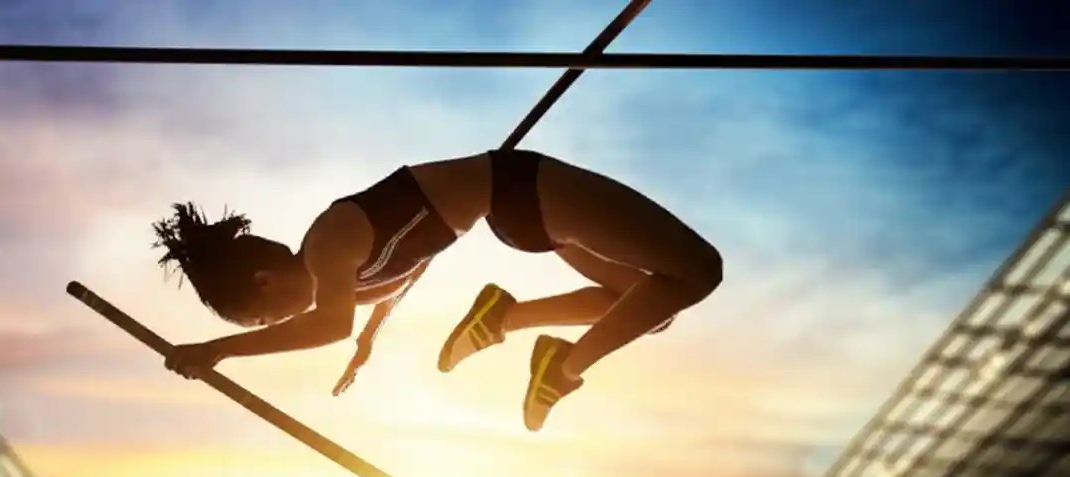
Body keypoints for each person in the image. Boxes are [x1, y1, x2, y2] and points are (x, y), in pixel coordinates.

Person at [154, 149, 722, 431]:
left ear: (263, 280)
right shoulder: (344, 275)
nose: (275, 327)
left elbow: (330, 322)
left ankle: (518, 328)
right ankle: (555, 360)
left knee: (655, 303)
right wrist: (369, 343)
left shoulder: (328, 239)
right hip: (521, 197)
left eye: (262, 320)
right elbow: (396, 281)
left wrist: (218, 350)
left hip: (516, 195)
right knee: (693, 275)